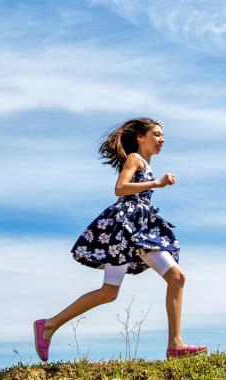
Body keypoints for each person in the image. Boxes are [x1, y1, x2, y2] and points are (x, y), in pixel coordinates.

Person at [32, 117, 207, 361]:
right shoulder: (135, 159)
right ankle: (175, 345)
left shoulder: (145, 163)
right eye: (156, 134)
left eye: (162, 135)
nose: (161, 139)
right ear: (140, 137)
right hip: (129, 229)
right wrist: (157, 183)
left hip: (136, 228)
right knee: (176, 277)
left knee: (109, 292)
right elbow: (120, 188)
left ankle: (49, 325)